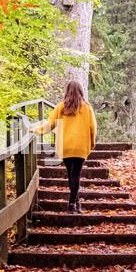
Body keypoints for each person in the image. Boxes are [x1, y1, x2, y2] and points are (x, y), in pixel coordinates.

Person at [34, 81, 97, 213]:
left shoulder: (61, 107)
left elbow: (49, 125)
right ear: (81, 91)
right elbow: (93, 128)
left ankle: (76, 204)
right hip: (80, 146)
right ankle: (71, 204)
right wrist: (91, 143)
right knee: (76, 175)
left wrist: (35, 130)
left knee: (71, 176)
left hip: (65, 146)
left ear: (67, 91)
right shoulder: (87, 108)